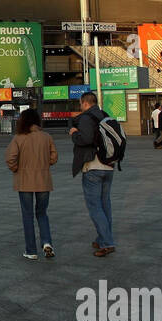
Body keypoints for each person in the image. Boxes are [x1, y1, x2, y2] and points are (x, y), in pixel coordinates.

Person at [4, 107, 58, 261]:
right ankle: (47, 242)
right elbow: (54, 157)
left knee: (27, 215)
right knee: (42, 213)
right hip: (44, 181)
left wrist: (16, 169)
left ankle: (31, 250)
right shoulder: (46, 137)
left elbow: (10, 158)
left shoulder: (19, 138)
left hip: (24, 182)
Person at [70, 92, 116, 257]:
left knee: (95, 207)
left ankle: (107, 242)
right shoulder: (105, 116)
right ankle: (103, 237)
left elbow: (86, 139)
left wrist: (74, 133)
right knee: (105, 205)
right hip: (109, 166)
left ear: (84, 103)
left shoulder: (86, 118)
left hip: (93, 167)